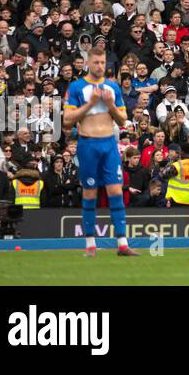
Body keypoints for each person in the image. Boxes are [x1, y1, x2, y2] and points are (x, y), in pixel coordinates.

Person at [62, 44, 136, 256]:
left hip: (109, 144)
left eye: (103, 62)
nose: (100, 66)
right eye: (96, 62)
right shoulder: (76, 87)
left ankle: (122, 244)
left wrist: (110, 105)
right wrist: (90, 104)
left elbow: (122, 120)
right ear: (87, 63)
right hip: (88, 144)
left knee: (116, 191)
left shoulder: (112, 87)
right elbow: (67, 120)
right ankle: (90, 244)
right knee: (90, 193)